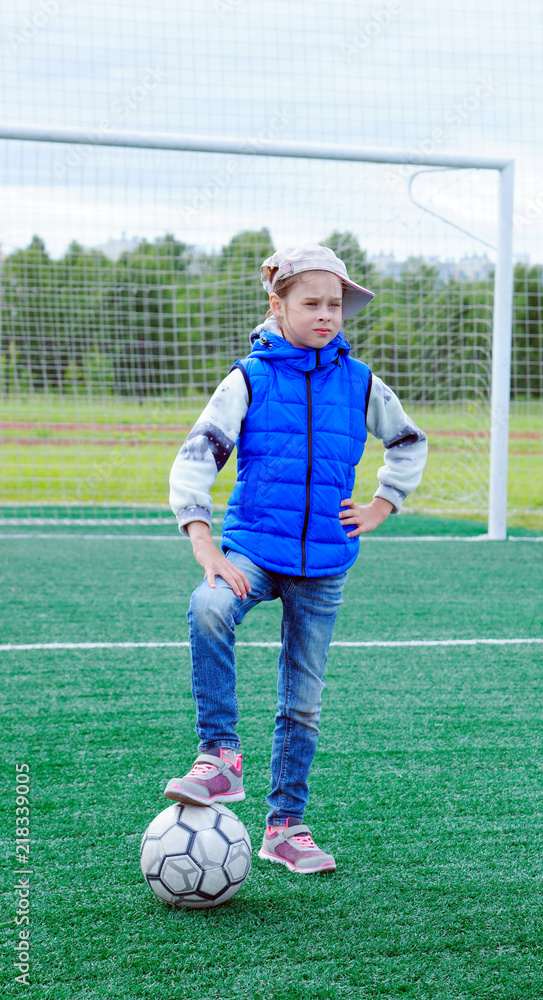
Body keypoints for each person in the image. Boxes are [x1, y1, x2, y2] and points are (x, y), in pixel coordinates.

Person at [166, 243, 427, 873]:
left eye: (335, 304)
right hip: (253, 550)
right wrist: (204, 542)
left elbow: (408, 443)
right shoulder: (249, 378)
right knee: (208, 606)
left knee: (302, 703)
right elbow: (194, 460)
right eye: (311, 303)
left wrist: (380, 507)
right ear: (277, 305)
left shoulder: (361, 380)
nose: (326, 315)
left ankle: (285, 827)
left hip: (325, 564)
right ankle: (220, 757)